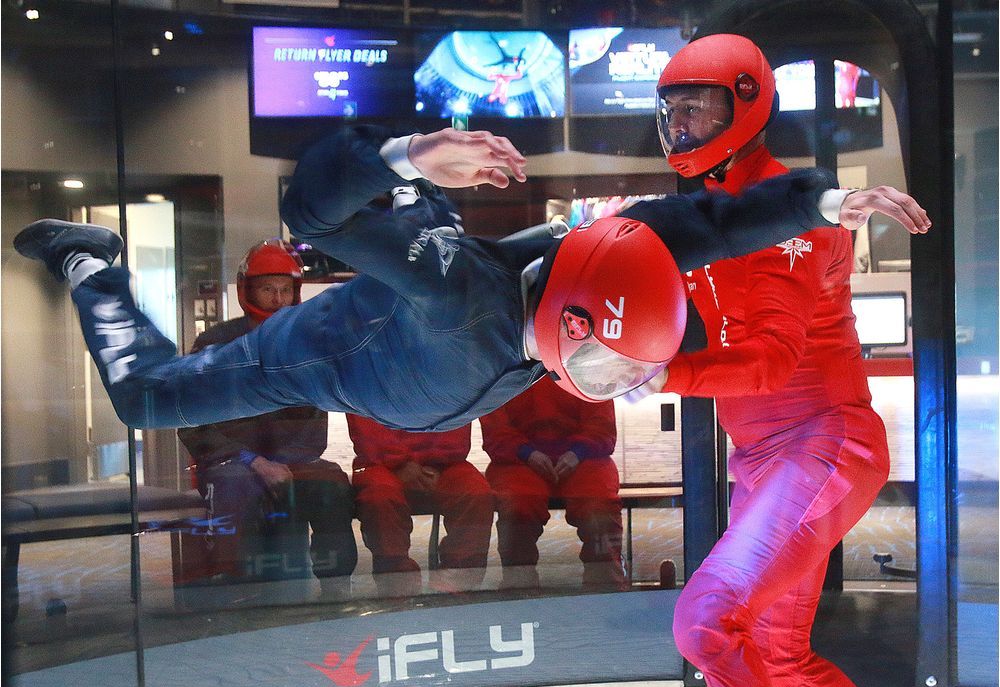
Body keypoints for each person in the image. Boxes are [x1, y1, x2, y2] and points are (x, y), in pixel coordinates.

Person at [12, 124, 929, 435]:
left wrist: (823, 206)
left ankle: (422, 189)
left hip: (436, 332)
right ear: (569, 324)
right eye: (607, 366)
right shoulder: (459, 296)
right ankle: (89, 261)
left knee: (432, 243)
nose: (604, 386)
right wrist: (402, 154)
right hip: (342, 355)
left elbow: (715, 222)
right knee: (143, 401)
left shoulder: (617, 258)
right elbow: (314, 220)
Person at [630, 34, 906, 687]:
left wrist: (662, 374)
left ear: (746, 107)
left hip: (823, 446)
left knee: (706, 620)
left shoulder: (796, 217)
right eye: (673, 111)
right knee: (779, 653)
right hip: (766, 459)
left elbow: (770, 364)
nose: (681, 127)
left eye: (698, 109)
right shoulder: (713, 213)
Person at [176, 240, 357, 597]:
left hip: (292, 461)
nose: (277, 299)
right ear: (248, 290)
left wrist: (284, 461)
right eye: (267, 289)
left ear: (296, 292)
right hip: (230, 462)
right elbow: (192, 422)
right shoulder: (216, 343)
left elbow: (313, 415)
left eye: (285, 290)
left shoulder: (309, 343)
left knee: (331, 484)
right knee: (239, 488)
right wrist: (254, 461)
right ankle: (235, 586)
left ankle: (337, 586)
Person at [480, 375, 623, 590]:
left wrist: (578, 452)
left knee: (598, 505)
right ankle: (519, 586)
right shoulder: (502, 363)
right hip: (518, 459)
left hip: (585, 458)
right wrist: (526, 453)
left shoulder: (585, 360)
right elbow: (496, 428)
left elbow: (601, 421)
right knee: (518, 504)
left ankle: (606, 585)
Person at [347, 415, 494, 597]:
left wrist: (438, 460)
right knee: (379, 499)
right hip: (380, 462)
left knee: (476, 494)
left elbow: (457, 414)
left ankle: (459, 582)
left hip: (444, 464)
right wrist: (401, 463)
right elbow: (364, 423)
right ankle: (396, 584)